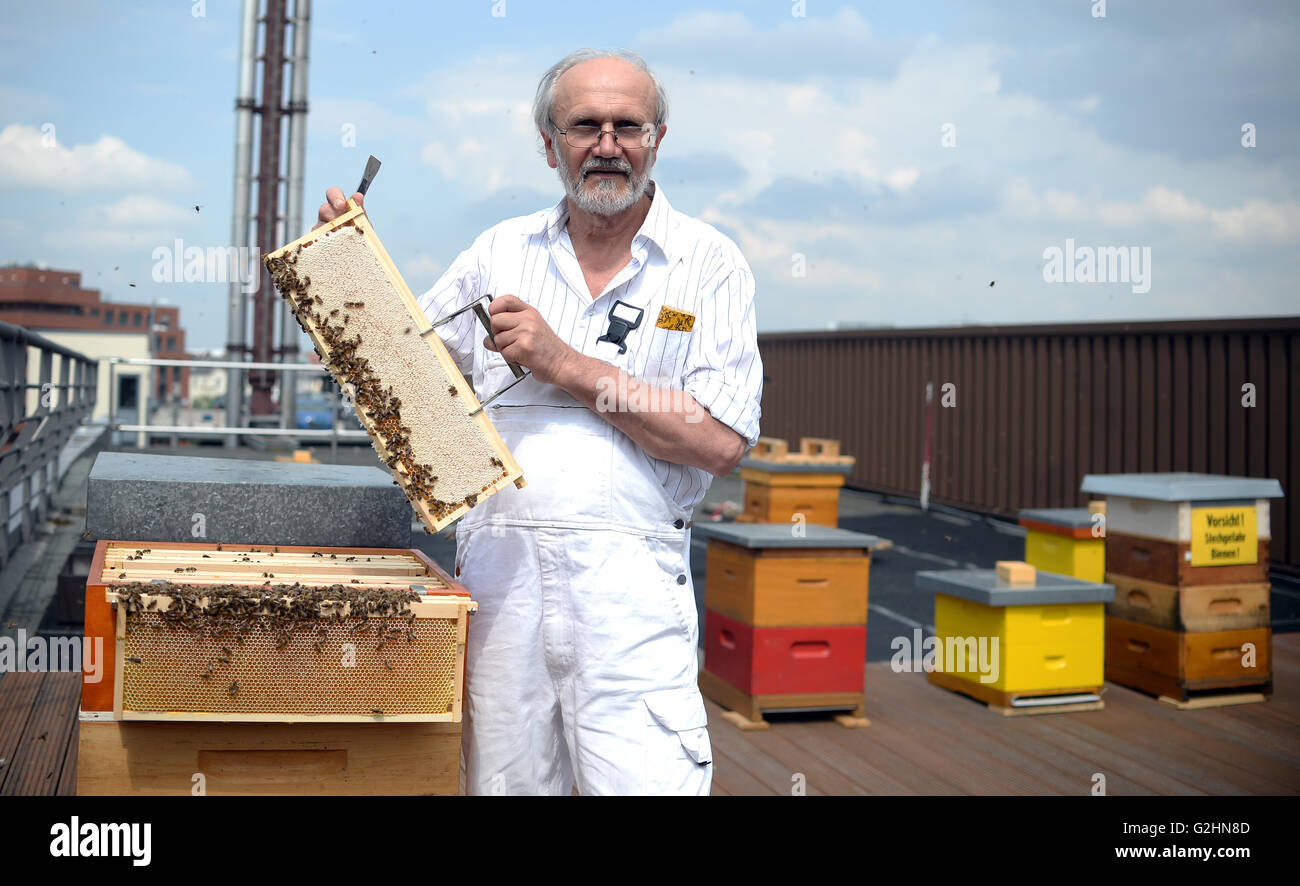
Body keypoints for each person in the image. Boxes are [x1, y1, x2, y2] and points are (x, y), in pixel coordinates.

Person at [316, 49, 762, 795]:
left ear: (658, 138)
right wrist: (345, 273)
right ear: (549, 144)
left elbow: (719, 441)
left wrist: (565, 363)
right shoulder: (499, 251)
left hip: (629, 596)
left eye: (629, 126)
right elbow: (396, 375)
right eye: (585, 126)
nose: (608, 145)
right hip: (499, 586)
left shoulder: (708, 264)